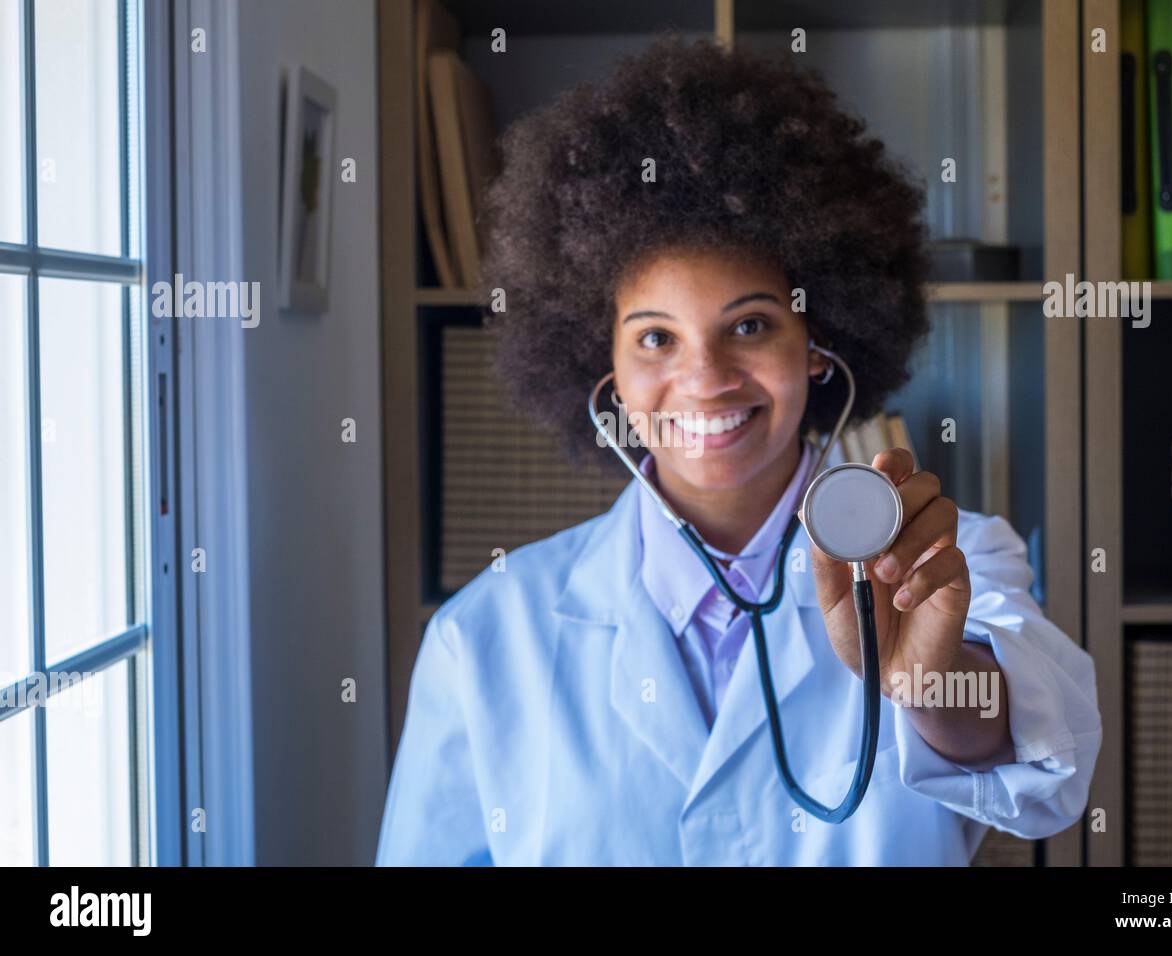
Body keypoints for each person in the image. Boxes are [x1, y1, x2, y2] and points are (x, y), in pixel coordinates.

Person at [375, 34, 1101, 866]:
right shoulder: (486, 634)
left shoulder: (949, 558)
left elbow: (1051, 774)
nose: (705, 378)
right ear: (601, 365)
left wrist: (927, 683)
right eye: (655, 338)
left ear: (819, 346)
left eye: (750, 326)